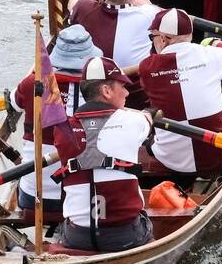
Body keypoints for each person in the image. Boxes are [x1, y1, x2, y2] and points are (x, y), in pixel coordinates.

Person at [51, 56, 154, 252]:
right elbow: (148, 118)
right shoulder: (134, 121)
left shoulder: (62, 130)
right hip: (124, 235)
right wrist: (149, 113)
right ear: (106, 91)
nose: (126, 92)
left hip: (78, 236)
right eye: (122, 86)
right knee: (145, 223)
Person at [139, 8, 222, 177]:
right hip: (219, 155)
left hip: (172, 161)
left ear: (162, 39)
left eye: (151, 37)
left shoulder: (146, 68)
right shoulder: (211, 55)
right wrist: (215, 43)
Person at [8, 25, 101, 217]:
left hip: (34, 197)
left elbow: (14, 104)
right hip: (85, 199)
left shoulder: (32, 83)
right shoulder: (102, 89)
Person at [66, 0, 161, 71]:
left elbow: (73, 1)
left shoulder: (84, 9)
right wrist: (147, 4)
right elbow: (181, 19)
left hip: (94, 83)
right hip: (134, 85)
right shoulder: (150, 13)